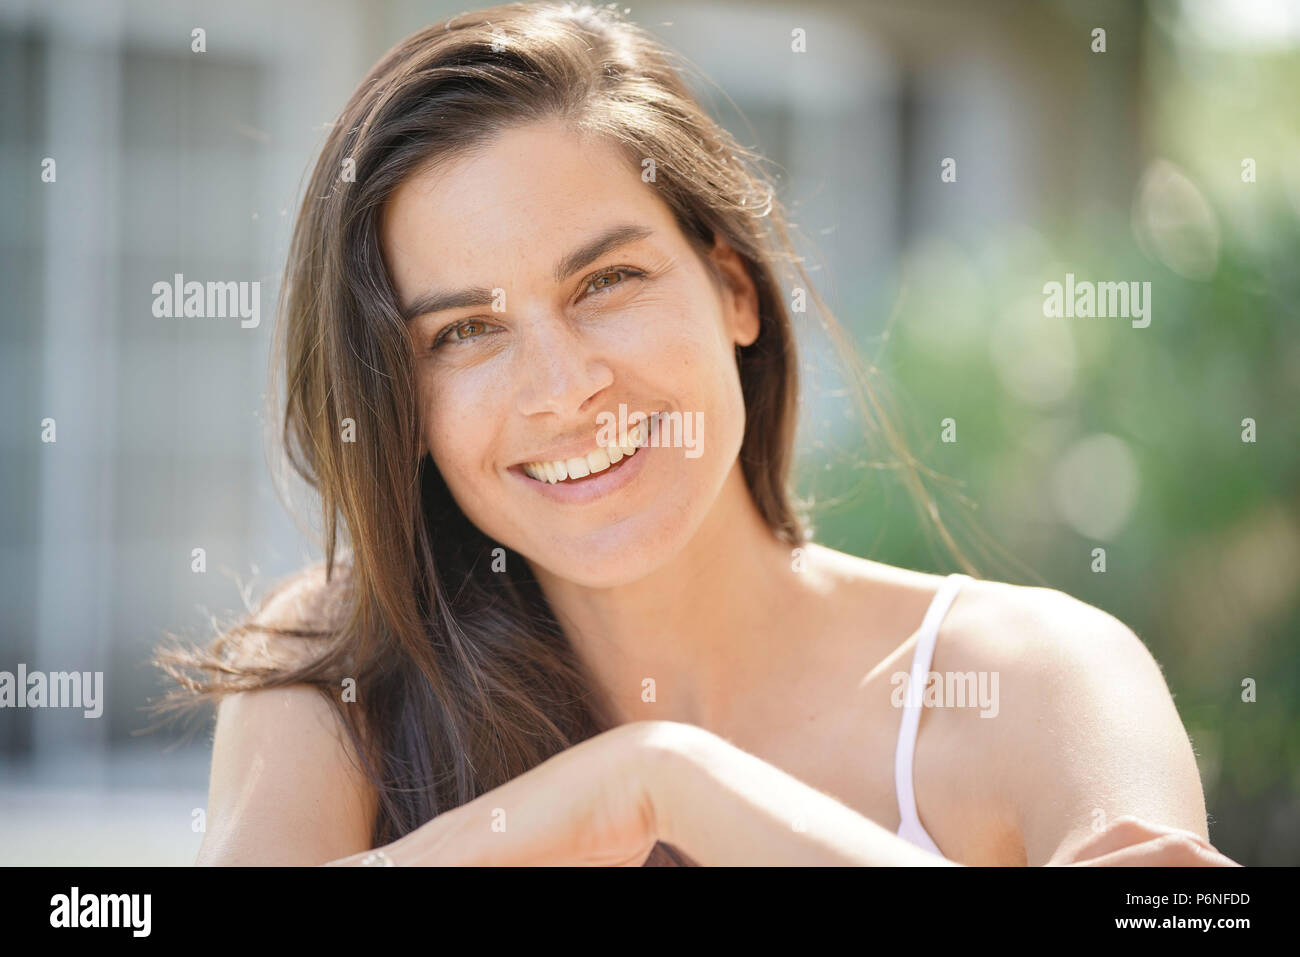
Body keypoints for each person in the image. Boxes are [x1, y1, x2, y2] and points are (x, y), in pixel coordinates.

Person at [152, 1, 1237, 867]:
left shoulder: (1035, 680)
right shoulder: (347, 676)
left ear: (732, 290)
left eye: (607, 280)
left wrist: (677, 788)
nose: (563, 387)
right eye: (467, 331)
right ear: (405, 409)